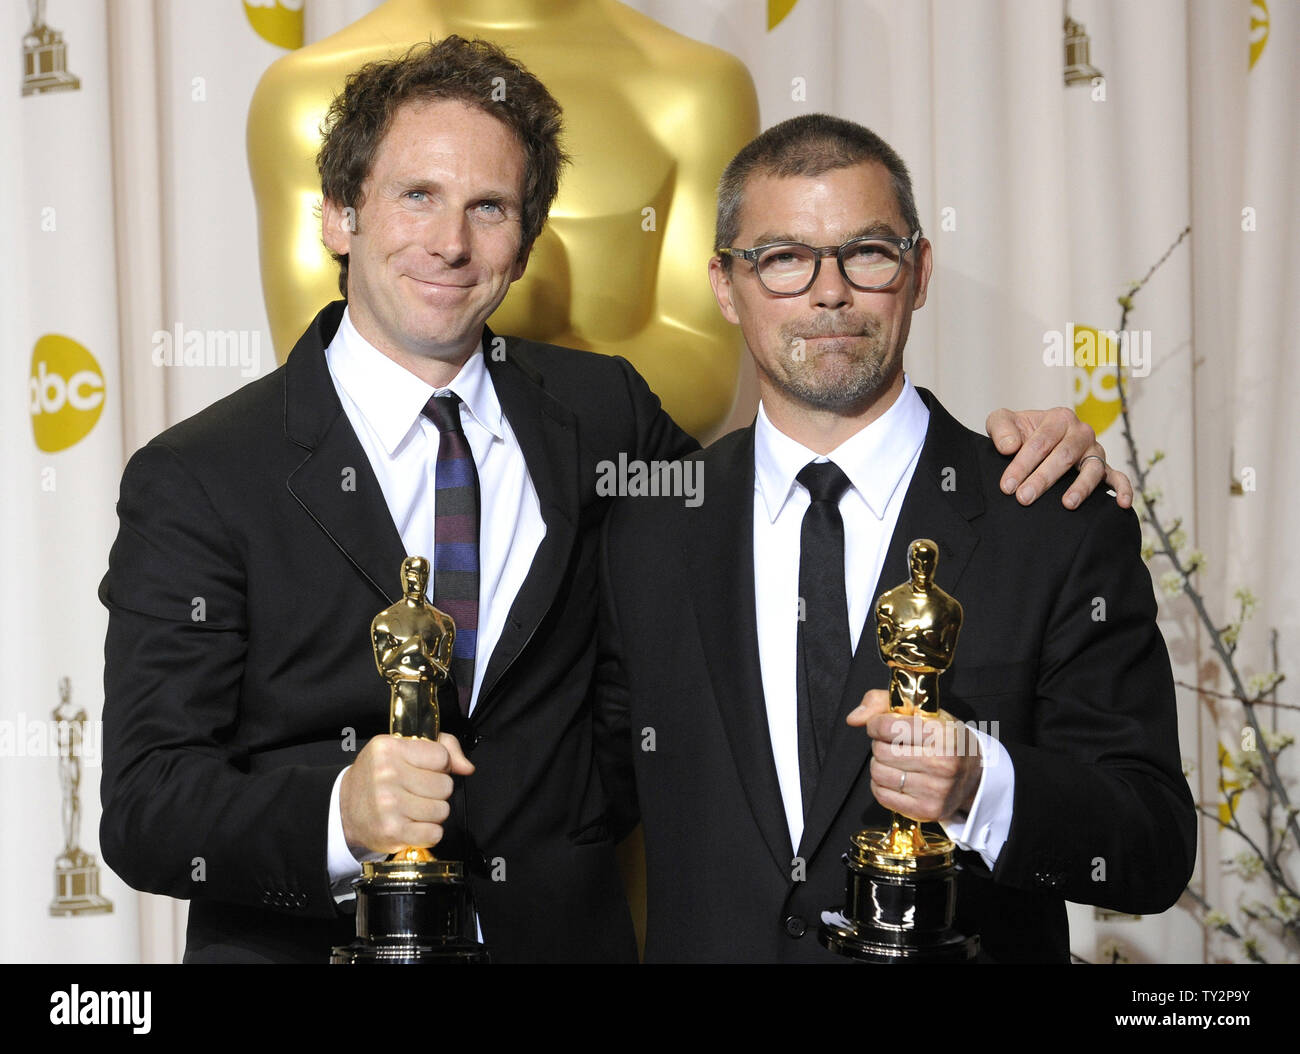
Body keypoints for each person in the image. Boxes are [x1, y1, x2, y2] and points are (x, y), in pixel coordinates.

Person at [100, 40, 1127, 964]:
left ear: (527, 235)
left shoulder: (602, 417)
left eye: (490, 207)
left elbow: (798, 515)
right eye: (415, 195)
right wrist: (337, 813)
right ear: (337, 213)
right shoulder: (200, 475)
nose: (450, 242)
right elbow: (145, 806)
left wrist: (1042, 453)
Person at [596, 113, 1196, 963]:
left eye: (867, 252)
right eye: (783, 258)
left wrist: (983, 784)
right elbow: (573, 810)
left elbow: (1153, 847)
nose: (829, 292)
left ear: (918, 272)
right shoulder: (647, 531)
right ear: (726, 286)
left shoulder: (1054, 516)